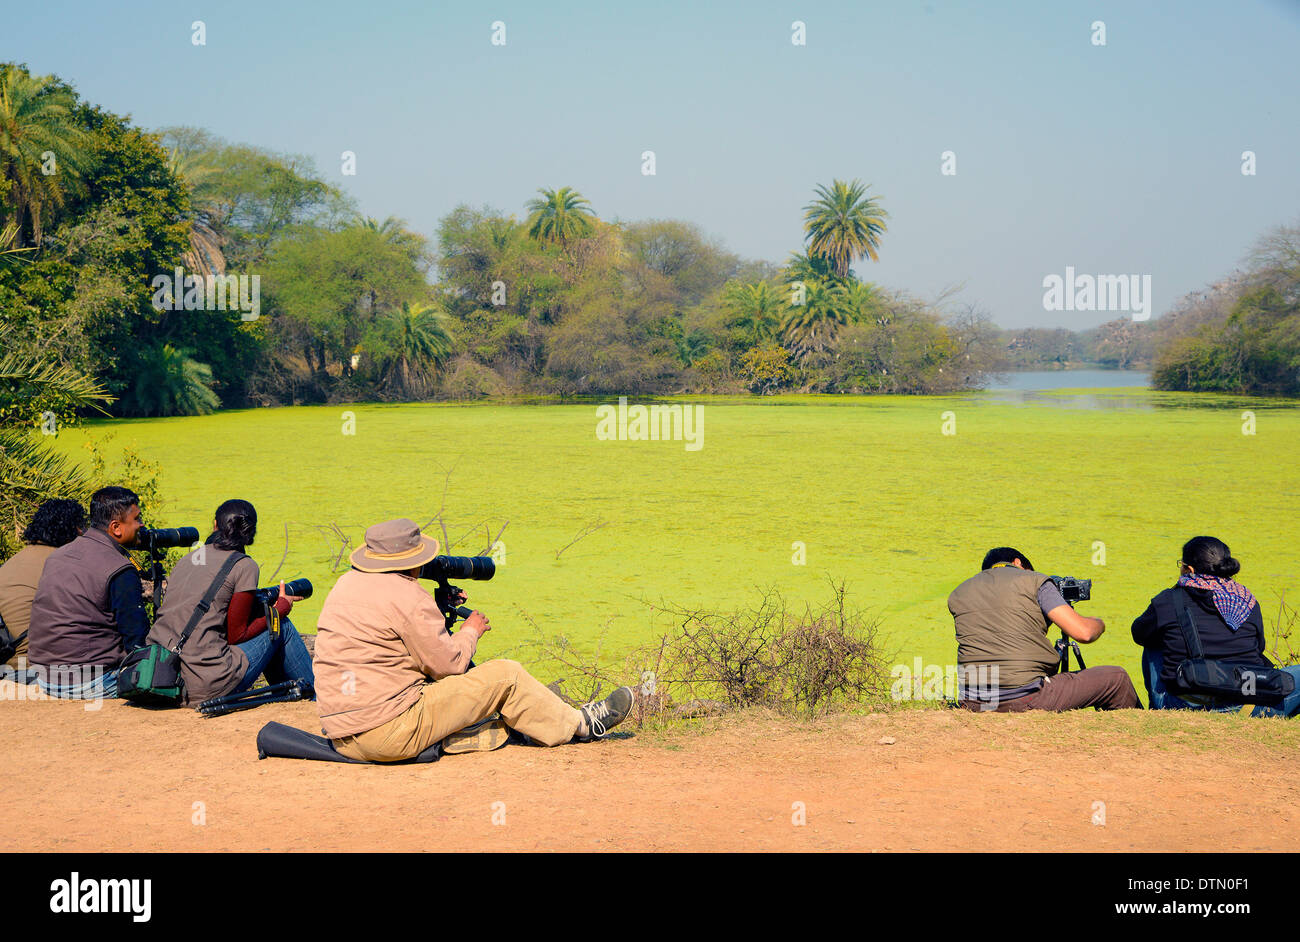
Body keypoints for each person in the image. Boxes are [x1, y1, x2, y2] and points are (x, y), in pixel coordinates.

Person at [313, 518, 634, 762]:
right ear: (414, 559)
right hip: (388, 733)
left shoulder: (345, 584)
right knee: (507, 674)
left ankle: (511, 722)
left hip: (342, 734)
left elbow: (387, 648)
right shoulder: (407, 595)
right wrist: (470, 630)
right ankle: (583, 724)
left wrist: (435, 612)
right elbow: (448, 665)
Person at [147, 499, 314, 707]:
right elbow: (237, 635)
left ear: (215, 525)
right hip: (206, 684)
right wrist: (279, 609)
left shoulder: (188, 559)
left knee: (271, 623)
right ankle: (316, 699)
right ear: (251, 532)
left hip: (165, 676)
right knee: (282, 627)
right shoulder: (244, 566)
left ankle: (294, 698)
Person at [949, 546, 1141, 712]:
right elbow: (1084, 633)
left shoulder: (960, 592)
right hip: (1023, 698)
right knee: (1117, 678)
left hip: (973, 701)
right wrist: (1098, 622)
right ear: (1018, 563)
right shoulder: (1035, 581)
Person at [1132, 536, 1300, 718]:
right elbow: (1259, 648)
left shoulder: (1167, 600)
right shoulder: (1247, 600)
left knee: (1153, 640)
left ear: (1188, 569)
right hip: (1250, 702)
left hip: (1184, 706)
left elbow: (1139, 633)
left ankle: (1161, 713)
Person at [28, 487, 150, 699]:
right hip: (91, 681)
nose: (141, 525)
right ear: (116, 528)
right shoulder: (119, 568)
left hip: (45, 677)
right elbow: (136, 641)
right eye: (137, 519)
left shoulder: (58, 556)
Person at [0, 499, 87, 682]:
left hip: (6, 663)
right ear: (74, 529)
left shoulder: (13, 562)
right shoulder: (63, 564)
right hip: (36, 669)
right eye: (82, 526)